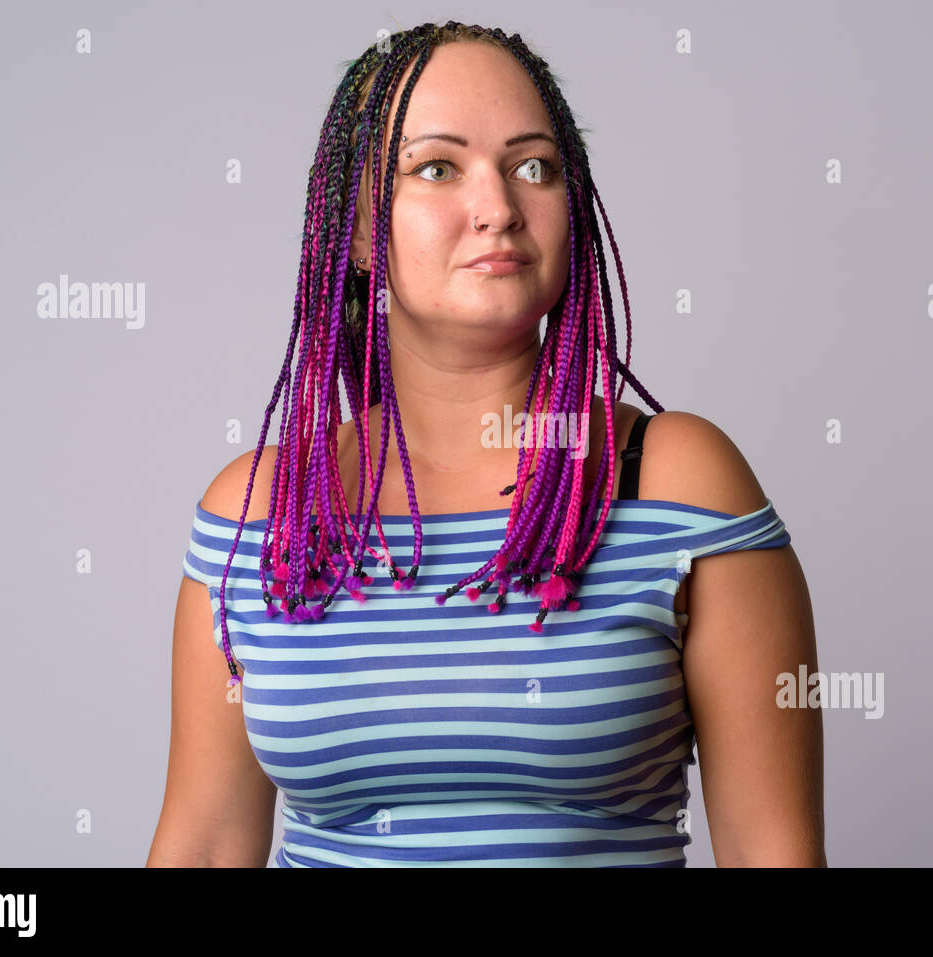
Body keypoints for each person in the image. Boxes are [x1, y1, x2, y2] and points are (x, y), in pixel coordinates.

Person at [147, 21, 823, 868]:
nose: (499, 207)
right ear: (356, 229)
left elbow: (776, 855)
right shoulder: (259, 516)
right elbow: (206, 846)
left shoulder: (678, 483)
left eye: (532, 166)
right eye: (436, 167)